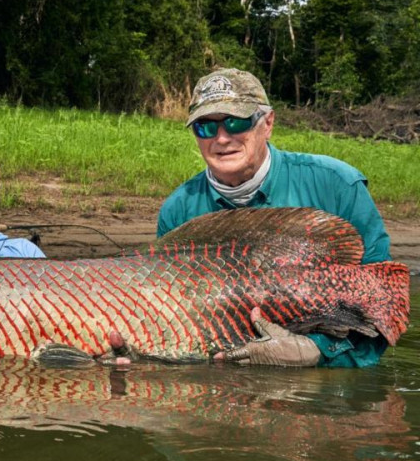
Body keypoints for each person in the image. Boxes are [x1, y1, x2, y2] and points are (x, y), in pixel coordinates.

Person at [158, 68, 392, 367]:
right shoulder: (178, 211)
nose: (221, 138)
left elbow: (384, 306)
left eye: (236, 122)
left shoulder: (336, 186)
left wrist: (316, 352)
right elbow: (175, 314)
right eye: (205, 127)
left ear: (267, 123)